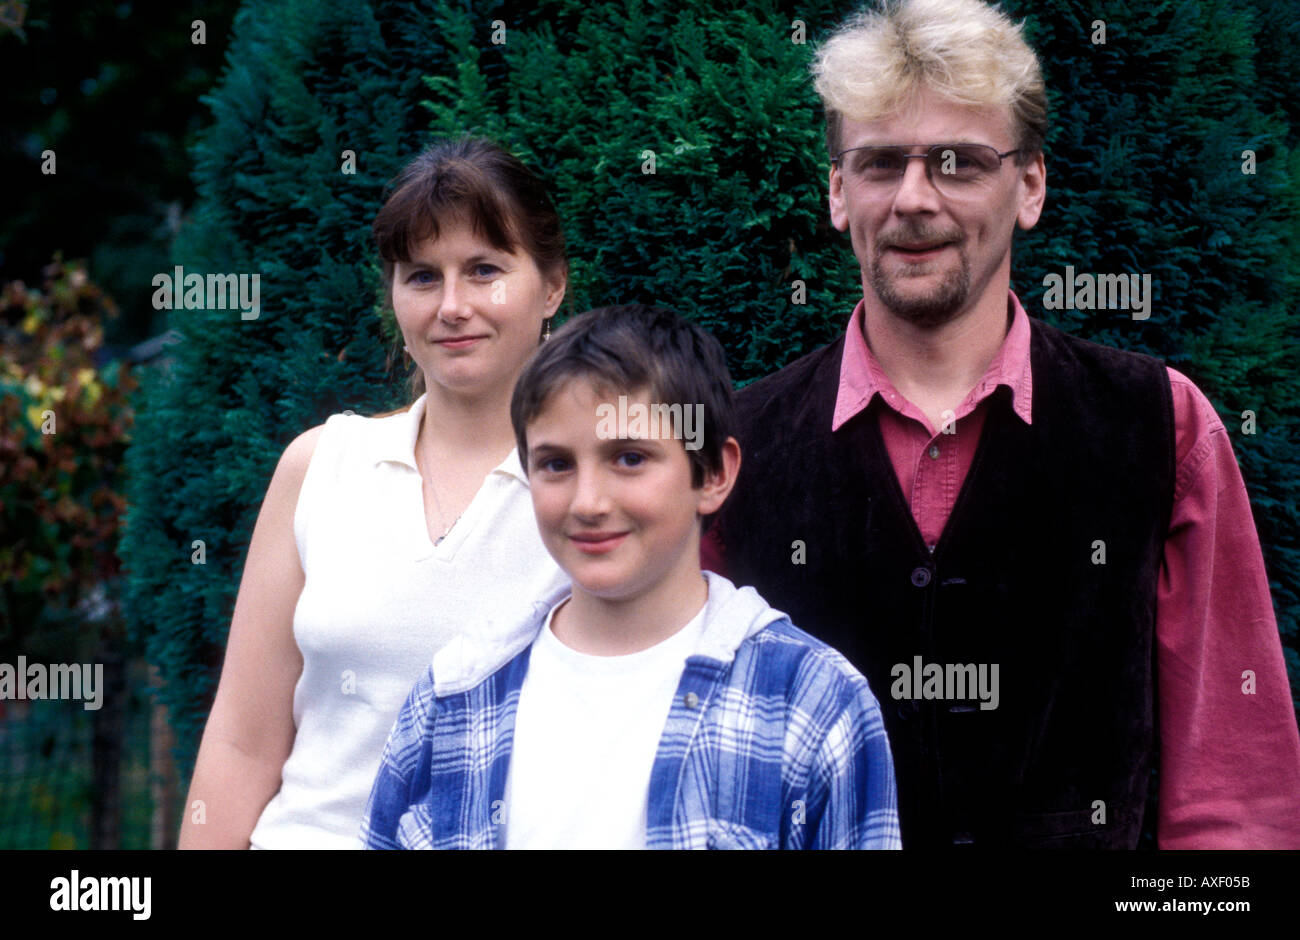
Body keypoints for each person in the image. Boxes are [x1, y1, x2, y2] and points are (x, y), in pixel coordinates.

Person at [705, 0, 1300, 848]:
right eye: (878, 164)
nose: (914, 199)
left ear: (1030, 185)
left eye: (957, 164)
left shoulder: (1160, 426)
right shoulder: (735, 450)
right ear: (838, 191)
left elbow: (1233, 796)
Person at [361, 304, 901, 849]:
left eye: (629, 459)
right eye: (556, 464)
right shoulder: (458, 692)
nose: (588, 502)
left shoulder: (812, 702)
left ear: (713, 473)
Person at [178, 138, 570, 848]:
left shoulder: (599, 493)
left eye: (484, 270)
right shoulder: (320, 467)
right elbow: (240, 741)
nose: (452, 306)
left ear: (551, 286)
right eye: (422, 277)